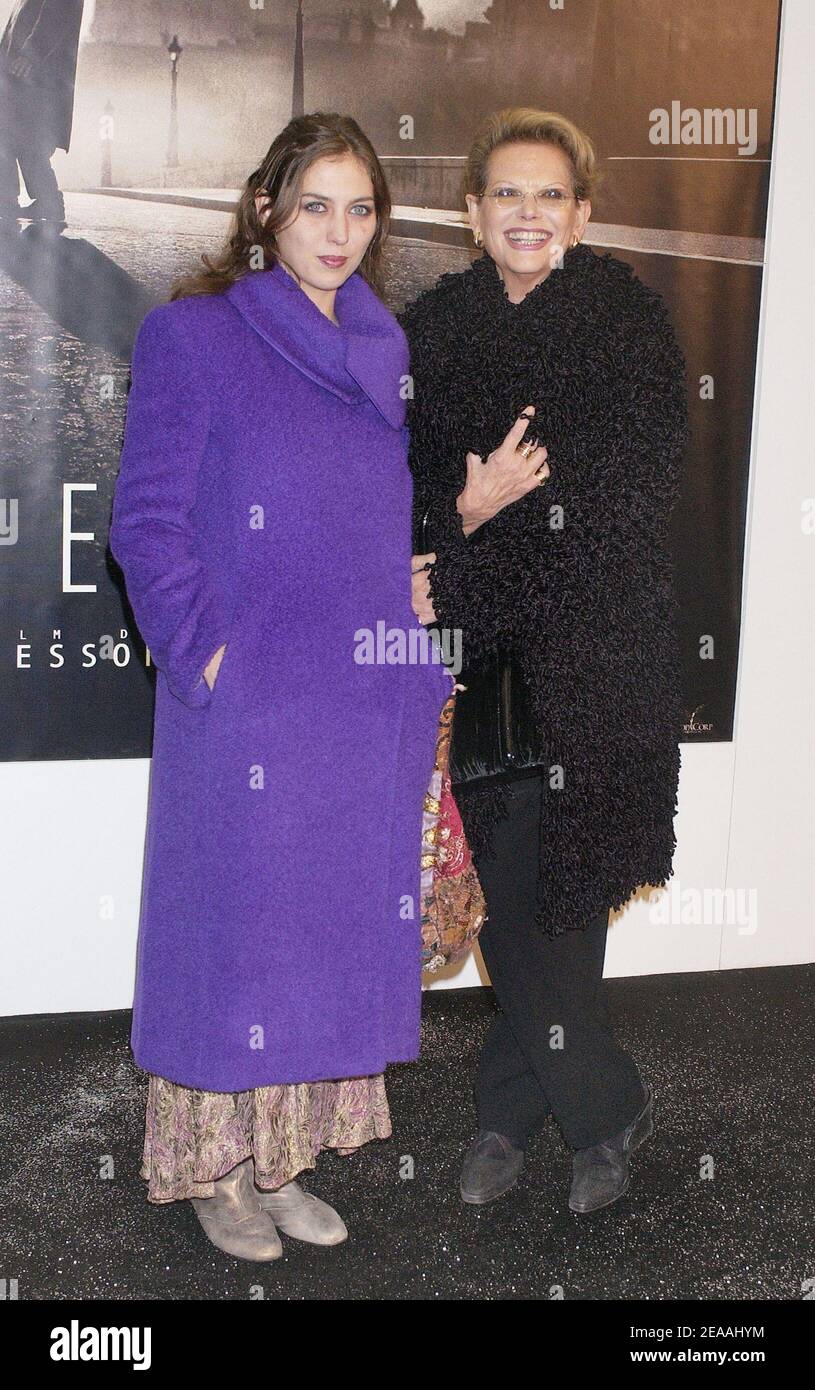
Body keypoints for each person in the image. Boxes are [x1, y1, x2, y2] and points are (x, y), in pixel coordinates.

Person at [109, 112, 451, 1261]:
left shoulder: (384, 351)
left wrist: (404, 605)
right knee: (235, 938)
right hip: (249, 699)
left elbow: (364, 514)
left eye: (361, 210)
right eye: (316, 204)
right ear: (267, 209)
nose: (338, 231)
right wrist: (206, 654)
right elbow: (146, 525)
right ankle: (212, 1171)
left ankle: (281, 1156)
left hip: (356, 700)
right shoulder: (193, 335)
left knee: (322, 934)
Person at [400, 107, 689, 1214]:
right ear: (472, 213)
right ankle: (592, 1105)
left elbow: (625, 500)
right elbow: (409, 498)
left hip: (598, 658)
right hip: (479, 667)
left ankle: (518, 1109)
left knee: (561, 888)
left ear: (580, 211)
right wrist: (466, 514)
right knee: (512, 887)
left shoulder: (623, 323)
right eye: (504, 194)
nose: (526, 212)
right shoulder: (430, 334)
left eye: (548, 194)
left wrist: (475, 555)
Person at [0, 0, 84, 230]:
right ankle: (39, 201)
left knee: (22, 137)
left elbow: (56, 15)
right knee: (21, 137)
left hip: (32, 74)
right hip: (23, 70)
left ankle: (20, 200)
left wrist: (31, 55)